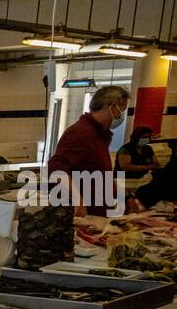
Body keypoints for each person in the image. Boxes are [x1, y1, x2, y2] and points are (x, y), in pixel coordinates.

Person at [47, 85, 128, 217]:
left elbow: (102, 176)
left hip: (97, 214)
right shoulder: (80, 133)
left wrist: (125, 197)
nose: (121, 117)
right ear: (111, 107)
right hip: (81, 215)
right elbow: (56, 168)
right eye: (121, 111)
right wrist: (77, 199)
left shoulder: (100, 135)